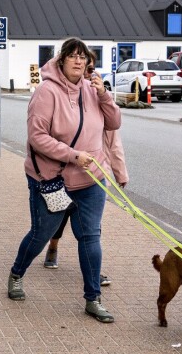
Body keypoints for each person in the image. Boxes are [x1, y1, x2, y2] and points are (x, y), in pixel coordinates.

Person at [7, 38, 122, 322]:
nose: (79, 61)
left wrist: (104, 95)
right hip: (52, 179)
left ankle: (93, 299)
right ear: (61, 61)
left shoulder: (93, 88)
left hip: (91, 178)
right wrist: (72, 155)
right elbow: (37, 137)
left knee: (90, 237)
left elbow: (114, 123)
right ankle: (17, 273)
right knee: (41, 235)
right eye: (72, 56)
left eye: (83, 57)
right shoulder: (46, 92)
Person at [44, 54, 128, 286]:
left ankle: (93, 273)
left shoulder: (101, 98)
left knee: (92, 230)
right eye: (83, 67)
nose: (87, 73)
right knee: (59, 217)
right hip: (66, 171)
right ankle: (53, 245)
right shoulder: (61, 94)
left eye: (91, 69)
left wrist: (120, 173)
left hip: (94, 176)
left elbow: (114, 142)